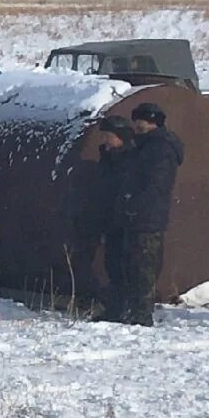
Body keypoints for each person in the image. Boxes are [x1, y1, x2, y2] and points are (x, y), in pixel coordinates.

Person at [104, 101, 184, 327]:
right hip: (135, 216)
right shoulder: (144, 146)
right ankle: (126, 310)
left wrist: (136, 204)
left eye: (141, 121)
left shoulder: (161, 149)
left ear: (151, 122)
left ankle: (142, 314)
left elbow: (157, 184)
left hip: (148, 218)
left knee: (144, 268)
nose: (137, 125)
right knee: (128, 265)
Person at [93, 114, 136, 322]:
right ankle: (114, 308)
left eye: (109, 136)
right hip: (109, 220)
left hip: (124, 221)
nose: (105, 140)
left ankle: (125, 309)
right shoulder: (108, 158)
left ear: (120, 137)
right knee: (112, 266)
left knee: (124, 267)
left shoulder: (130, 160)